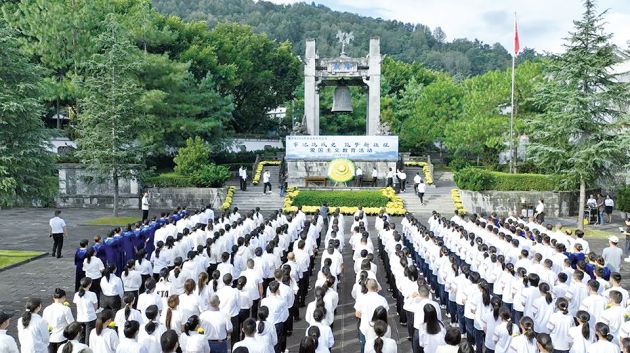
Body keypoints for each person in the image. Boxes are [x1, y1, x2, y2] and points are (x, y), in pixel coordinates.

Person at [355, 279, 389, 353]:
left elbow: (357, 314)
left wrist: (365, 317)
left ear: (367, 286)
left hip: (365, 328)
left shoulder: (362, 298)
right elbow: (386, 314)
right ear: (376, 286)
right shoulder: (382, 299)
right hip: (380, 328)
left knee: (364, 348)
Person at [42, 288, 75, 353]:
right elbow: (71, 324)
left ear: (53, 298)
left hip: (50, 338)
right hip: (62, 337)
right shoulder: (66, 309)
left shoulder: (46, 309)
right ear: (63, 297)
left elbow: (44, 324)